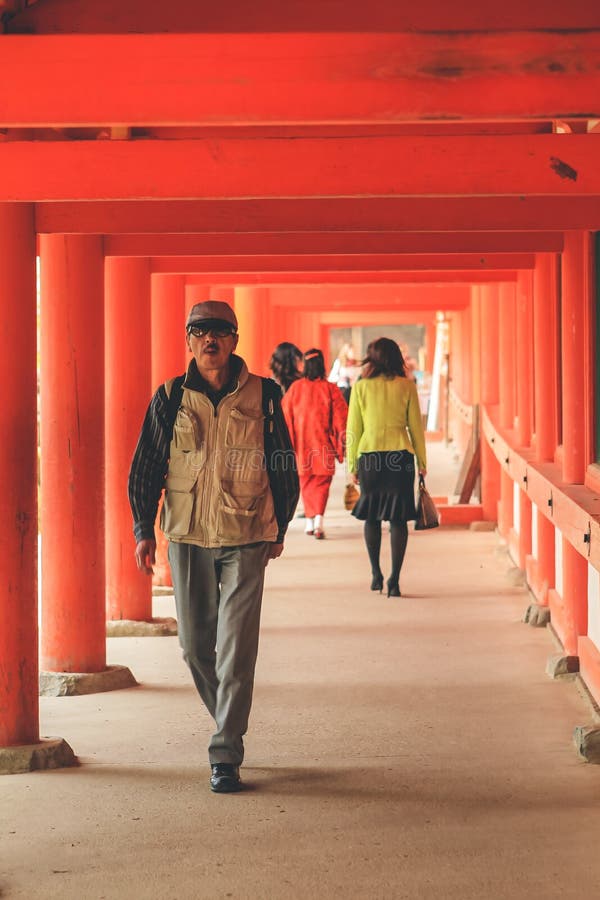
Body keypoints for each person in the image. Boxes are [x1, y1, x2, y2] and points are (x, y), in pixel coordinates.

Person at [128, 300, 299, 793]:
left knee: (237, 652)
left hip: (246, 534)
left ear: (234, 340)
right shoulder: (169, 397)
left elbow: (282, 460)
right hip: (186, 536)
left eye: (219, 332)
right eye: (200, 332)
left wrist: (280, 526)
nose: (210, 340)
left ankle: (225, 751)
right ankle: (229, 720)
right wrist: (143, 529)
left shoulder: (264, 395)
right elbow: (145, 466)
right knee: (194, 647)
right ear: (188, 341)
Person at [346, 338, 427, 598]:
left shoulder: (360, 387)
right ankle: (394, 579)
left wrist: (352, 464)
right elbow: (416, 428)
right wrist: (422, 462)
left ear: (371, 358)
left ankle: (375, 573)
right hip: (400, 456)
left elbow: (353, 429)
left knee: (371, 514)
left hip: (370, 456)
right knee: (398, 517)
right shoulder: (407, 386)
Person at [282, 348, 347, 540]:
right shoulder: (330, 389)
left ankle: (310, 522)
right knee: (322, 484)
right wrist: (341, 445)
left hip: (301, 447)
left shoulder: (295, 389)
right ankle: (318, 520)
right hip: (323, 446)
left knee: (305, 483)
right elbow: (341, 420)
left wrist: (286, 446)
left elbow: (285, 418)